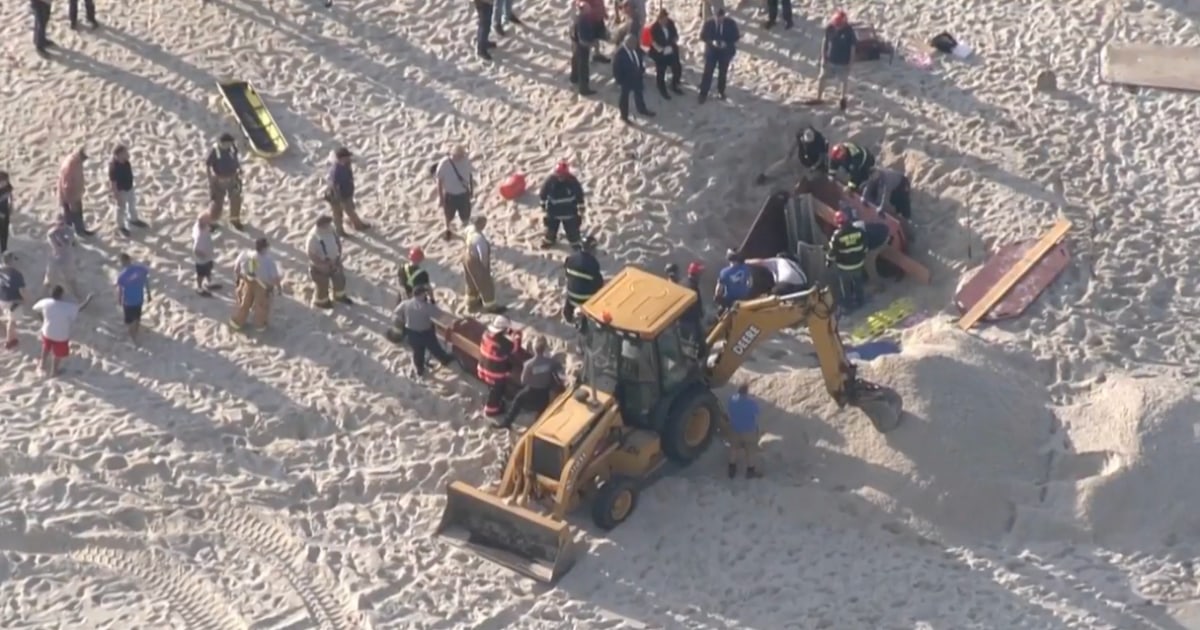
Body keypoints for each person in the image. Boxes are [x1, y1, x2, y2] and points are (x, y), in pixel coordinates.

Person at [387, 285, 456, 377]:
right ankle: (444, 359)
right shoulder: (426, 307)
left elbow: (396, 312)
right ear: (422, 294)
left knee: (418, 353)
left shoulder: (406, 303)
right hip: (426, 333)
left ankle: (419, 369)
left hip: (411, 334)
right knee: (435, 348)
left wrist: (403, 321)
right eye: (424, 293)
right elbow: (440, 316)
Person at [497, 336, 563, 429]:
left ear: (534, 348)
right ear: (545, 348)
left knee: (518, 399)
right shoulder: (551, 363)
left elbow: (523, 380)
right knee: (543, 411)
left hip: (531, 391)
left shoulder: (529, 364)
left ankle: (507, 422)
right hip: (544, 394)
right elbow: (559, 370)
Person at [32, 286, 92, 377]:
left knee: (46, 347)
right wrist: (88, 300)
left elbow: (35, 308)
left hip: (47, 331)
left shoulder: (45, 302)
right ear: (61, 295)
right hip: (61, 336)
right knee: (58, 354)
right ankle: (54, 371)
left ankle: (42, 365)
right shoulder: (67, 307)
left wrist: (42, 319)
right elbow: (79, 308)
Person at [230, 237, 281, 331]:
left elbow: (236, 268)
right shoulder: (269, 261)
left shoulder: (246, 254)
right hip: (262, 285)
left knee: (245, 302)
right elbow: (275, 278)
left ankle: (237, 322)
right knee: (261, 305)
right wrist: (279, 288)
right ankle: (260, 325)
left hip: (247, 281)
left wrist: (238, 278)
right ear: (264, 248)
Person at [306, 215, 352, 309]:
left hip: (335, 260)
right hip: (321, 266)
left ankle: (339, 296)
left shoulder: (330, 229)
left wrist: (338, 253)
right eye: (327, 224)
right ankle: (321, 302)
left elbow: (336, 239)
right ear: (322, 225)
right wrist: (322, 264)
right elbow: (311, 254)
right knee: (323, 285)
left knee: (340, 279)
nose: (330, 226)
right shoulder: (313, 238)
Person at [755, 126, 829, 184]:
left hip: (813, 162)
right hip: (801, 158)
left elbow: (822, 157)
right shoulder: (802, 135)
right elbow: (795, 143)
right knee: (783, 164)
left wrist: (814, 167)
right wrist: (789, 154)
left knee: (815, 179)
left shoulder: (820, 143)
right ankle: (765, 176)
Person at [538, 161, 587, 248]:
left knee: (572, 230)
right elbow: (543, 193)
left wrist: (581, 206)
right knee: (551, 229)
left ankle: (575, 243)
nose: (560, 177)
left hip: (569, 212)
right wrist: (543, 204)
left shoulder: (572, 182)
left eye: (563, 175)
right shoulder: (550, 181)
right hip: (553, 212)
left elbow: (579, 194)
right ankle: (549, 241)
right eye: (559, 175)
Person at [462, 216, 505, 313]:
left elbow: (463, 236)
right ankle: (490, 306)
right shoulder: (480, 239)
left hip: (467, 256)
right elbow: (483, 255)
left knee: (471, 281)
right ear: (480, 224)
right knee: (485, 284)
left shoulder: (469, 229)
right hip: (476, 261)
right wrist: (485, 271)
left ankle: (471, 302)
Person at [325, 147, 370, 237]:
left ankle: (358, 225)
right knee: (338, 214)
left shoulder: (345, 165)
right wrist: (340, 199)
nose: (349, 158)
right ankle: (340, 231)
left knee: (350, 211)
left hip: (346, 193)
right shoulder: (336, 171)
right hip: (337, 196)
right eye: (347, 157)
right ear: (341, 158)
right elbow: (334, 186)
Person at [816, 10, 857, 110]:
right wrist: (823, 57)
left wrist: (850, 63)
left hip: (843, 62)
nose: (837, 27)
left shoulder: (849, 32)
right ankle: (819, 97)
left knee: (843, 81)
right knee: (822, 78)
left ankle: (843, 99)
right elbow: (825, 43)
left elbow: (852, 48)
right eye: (836, 24)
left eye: (839, 25)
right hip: (830, 60)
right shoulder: (830, 28)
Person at [827, 211, 867, 310]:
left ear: (838, 223)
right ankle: (861, 302)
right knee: (858, 284)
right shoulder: (859, 231)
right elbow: (865, 247)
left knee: (846, 287)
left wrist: (828, 261)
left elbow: (832, 253)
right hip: (858, 264)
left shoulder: (837, 236)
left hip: (844, 267)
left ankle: (848, 306)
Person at [478, 315, 517, 418]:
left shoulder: (485, 334)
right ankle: (491, 409)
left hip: (482, 367)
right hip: (494, 375)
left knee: (492, 388)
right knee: (496, 392)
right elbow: (514, 349)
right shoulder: (503, 344)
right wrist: (517, 337)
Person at [698, 8, 739, 104]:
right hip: (712, 50)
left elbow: (736, 36)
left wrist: (726, 43)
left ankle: (721, 91)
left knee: (723, 72)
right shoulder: (709, 23)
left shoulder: (731, 23)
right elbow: (702, 36)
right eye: (717, 17)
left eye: (721, 17)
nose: (719, 19)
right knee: (708, 71)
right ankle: (703, 93)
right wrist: (712, 42)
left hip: (725, 51)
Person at [612, 33, 656, 124]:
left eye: (635, 43)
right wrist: (619, 81)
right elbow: (616, 68)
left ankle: (642, 109)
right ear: (626, 42)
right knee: (624, 98)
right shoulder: (619, 53)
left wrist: (641, 70)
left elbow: (638, 59)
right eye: (632, 43)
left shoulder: (635, 49)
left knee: (639, 93)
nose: (634, 45)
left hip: (637, 76)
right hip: (625, 79)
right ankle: (624, 116)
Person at [434, 146, 475, 240]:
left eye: (461, 156)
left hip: (463, 195)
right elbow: (439, 180)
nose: (459, 158)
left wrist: (471, 190)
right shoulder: (444, 163)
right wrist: (440, 197)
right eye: (457, 156)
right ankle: (448, 229)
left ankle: (467, 232)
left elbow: (470, 175)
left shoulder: (465, 161)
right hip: (450, 195)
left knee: (465, 216)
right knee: (448, 215)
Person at [562, 236, 604, 324]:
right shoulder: (593, 263)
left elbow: (566, 272)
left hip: (571, 296)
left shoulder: (571, 258)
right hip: (585, 299)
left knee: (573, 289)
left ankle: (568, 314)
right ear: (592, 250)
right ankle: (586, 318)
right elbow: (598, 282)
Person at [206, 133, 243, 230]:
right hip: (219, 179)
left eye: (230, 143)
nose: (229, 145)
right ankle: (213, 222)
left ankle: (235, 220)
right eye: (227, 143)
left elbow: (235, 159)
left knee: (236, 199)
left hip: (233, 178)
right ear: (221, 143)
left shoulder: (232, 148)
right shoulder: (215, 151)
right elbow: (208, 165)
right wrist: (210, 179)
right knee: (217, 202)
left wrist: (239, 168)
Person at [725, 384, 763, 479]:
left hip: (735, 429)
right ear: (747, 392)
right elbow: (757, 413)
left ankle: (731, 469)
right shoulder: (751, 402)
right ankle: (750, 471)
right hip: (749, 430)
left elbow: (729, 411)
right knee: (750, 450)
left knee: (733, 448)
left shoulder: (732, 400)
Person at [108, 145, 146, 237]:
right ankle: (121, 226)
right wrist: (117, 196)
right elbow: (113, 184)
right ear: (119, 155)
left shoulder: (126, 162)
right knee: (121, 209)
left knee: (132, 204)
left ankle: (133, 219)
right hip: (121, 192)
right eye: (125, 153)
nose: (127, 154)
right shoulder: (114, 168)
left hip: (130, 188)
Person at [115, 253, 151, 342]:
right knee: (137, 317)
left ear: (122, 262)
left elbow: (120, 291)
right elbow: (146, 282)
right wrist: (149, 294)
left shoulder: (122, 276)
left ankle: (132, 337)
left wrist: (119, 300)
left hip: (128, 301)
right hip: (139, 299)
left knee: (129, 321)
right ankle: (135, 332)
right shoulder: (141, 269)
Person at [647, 9, 683, 99]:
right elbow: (653, 42)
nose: (665, 21)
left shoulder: (670, 23)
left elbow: (675, 35)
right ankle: (661, 87)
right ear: (659, 19)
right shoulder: (654, 28)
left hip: (670, 48)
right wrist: (662, 49)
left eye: (666, 19)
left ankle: (674, 84)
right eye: (663, 20)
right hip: (659, 52)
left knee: (677, 67)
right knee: (661, 70)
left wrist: (672, 43)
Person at [44, 214, 81, 301]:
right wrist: (59, 237)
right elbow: (58, 245)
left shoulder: (70, 230)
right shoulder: (51, 233)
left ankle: (77, 294)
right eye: (59, 223)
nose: (62, 225)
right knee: (49, 278)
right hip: (55, 257)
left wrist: (68, 240)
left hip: (67, 257)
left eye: (63, 223)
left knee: (71, 278)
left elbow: (69, 243)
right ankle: (44, 294)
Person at [58, 148, 92, 237]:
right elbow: (67, 183)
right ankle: (70, 236)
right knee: (70, 215)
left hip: (76, 193)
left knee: (77, 213)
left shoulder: (76, 161)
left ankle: (79, 230)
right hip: (70, 195)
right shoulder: (72, 165)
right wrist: (71, 198)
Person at [569, 2, 600, 96]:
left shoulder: (575, 17)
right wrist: (590, 43)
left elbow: (571, 31)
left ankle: (574, 78)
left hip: (575, 43)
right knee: (583, 67)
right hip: (582, 46)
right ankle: (584, 88)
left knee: (575, 60)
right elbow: (583, 37)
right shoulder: (584, 20)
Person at [1, 252, 29, 349]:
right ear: (11, 260)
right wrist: (25, 299)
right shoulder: (16, 274)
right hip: (13, 301)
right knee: (11, 321)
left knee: (7, 314)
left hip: (2, 298)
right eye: (15, 259)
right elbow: (22, 290)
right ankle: (10, 341)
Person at [191, 211, 221, 296]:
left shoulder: (203, 227)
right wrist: (202, 256)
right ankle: (199, 288)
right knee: (201, 274)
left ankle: (209, 283)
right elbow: (195, 249)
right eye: (208, 221)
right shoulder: (199, 235)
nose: (209, 222)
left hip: (208, 257)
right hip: (202, 260)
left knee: (208, 270)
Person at [858, 219, 893, 289]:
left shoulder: (861, 236)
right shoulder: (860, 226)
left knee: (869, 264)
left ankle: (879, 286)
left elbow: (865, 248)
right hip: (884, 232)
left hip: (880, 241)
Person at [0, 171, 12, 254]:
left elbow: (10, 196)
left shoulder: (8, 187)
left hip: (5, 211)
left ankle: (4, 250)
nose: (4, 183)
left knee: (5, 232)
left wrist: (11, 206)